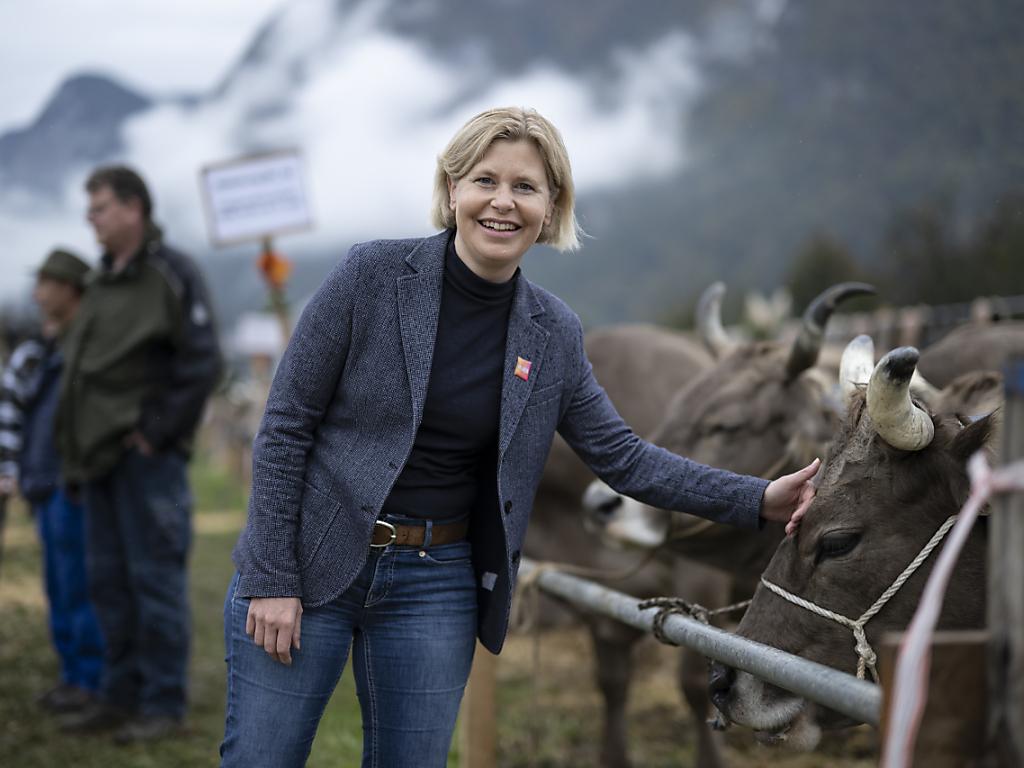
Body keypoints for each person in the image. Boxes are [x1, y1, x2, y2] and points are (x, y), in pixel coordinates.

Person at [220, 106, 819, 767]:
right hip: (312, 560)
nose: (502, 202)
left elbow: (623, 458)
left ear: (550, 207)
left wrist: (759, 497)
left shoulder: (552, 332)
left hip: (435, 581)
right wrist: (274, 576)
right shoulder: (371, 278)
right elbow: (285, 425)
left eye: (526, 187)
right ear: (453, 191)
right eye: (484, 181)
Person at [55, 166, 223, 742]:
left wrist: (156, 433)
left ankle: (161, 705)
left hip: (144, 460)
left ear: (134, 208)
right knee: (107, 581)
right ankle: (117, 694)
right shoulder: (101, 281)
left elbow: (202, 362)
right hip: (95, 459)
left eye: (99, 207)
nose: (91, 219)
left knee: (153, 581)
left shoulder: (171, 273)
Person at [0, 249, 105, 714]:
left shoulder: (90, 346)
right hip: (45, 481)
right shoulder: (33, 352)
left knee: (81, 582)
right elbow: (8, 413)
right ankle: (72, 674)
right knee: (60, 583)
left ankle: (91, 679)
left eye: (47, 281)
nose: (38, 291)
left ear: (70, 289)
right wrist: (10, 468)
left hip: (76, 480)